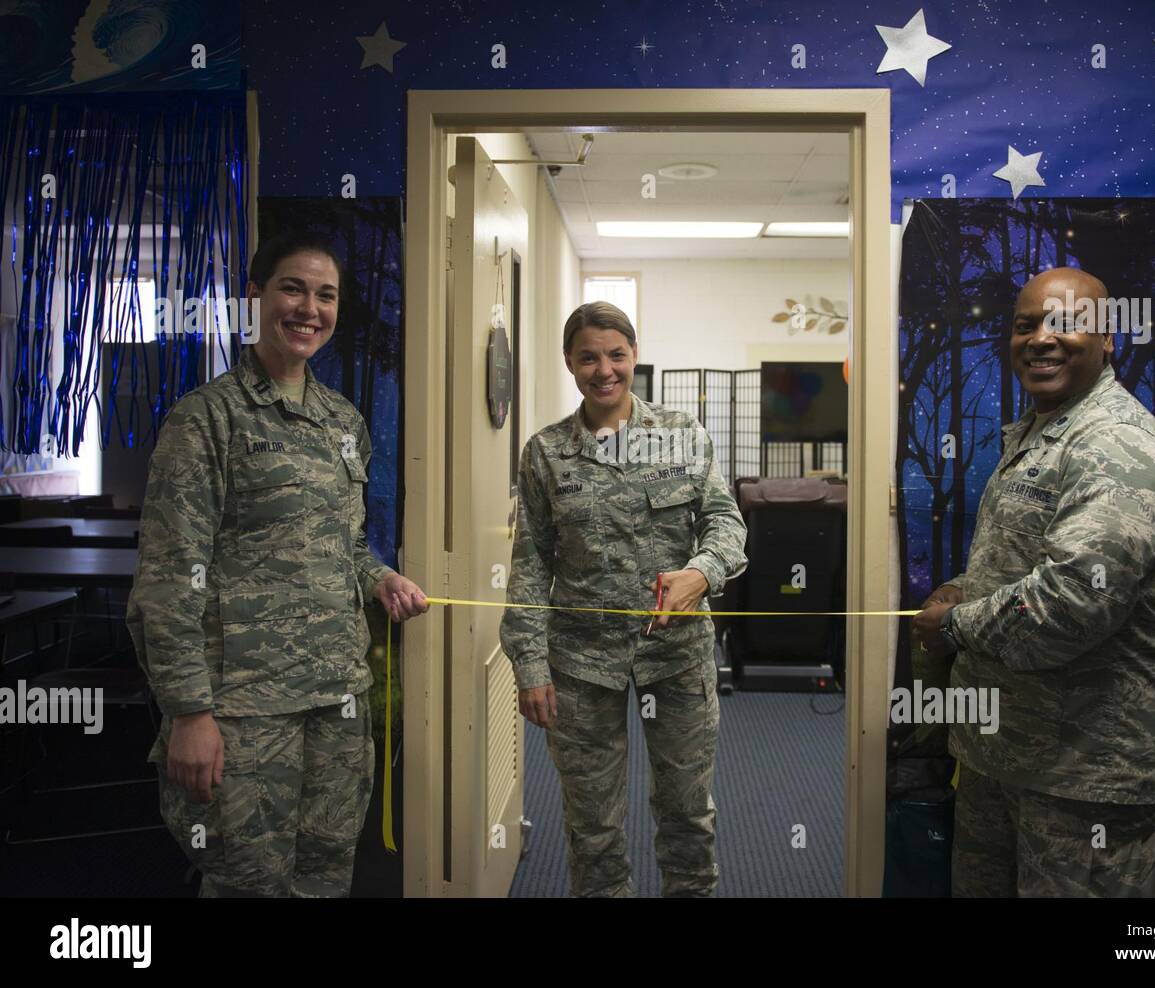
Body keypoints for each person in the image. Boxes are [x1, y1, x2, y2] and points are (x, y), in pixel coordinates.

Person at [126, 231, 428, 897]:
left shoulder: (341, 420)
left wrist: (382, 578)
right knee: (246, 883)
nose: (309, 308)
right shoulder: (206, 421)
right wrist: (188, 713)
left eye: (326, 295)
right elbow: (168, 579)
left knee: (325, 878)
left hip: (336, 703)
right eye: (293, 288)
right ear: (256, 295)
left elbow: (344, 546)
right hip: (244, 715)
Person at [912, 267, 1155, 898]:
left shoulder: (1116, 445)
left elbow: (1072, 602)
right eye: (1025, 325)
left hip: (1086, 776)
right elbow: (1024, 562)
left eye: (1064, 323)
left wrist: (953, 625)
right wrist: (962, 587)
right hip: (1007, 753)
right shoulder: (1043, 432)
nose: (1041, 339)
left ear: (1109, 337)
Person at [500, 301, 747, 897]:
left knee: (687, 810)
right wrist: (530, 666)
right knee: (593, 824)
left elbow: (726, 525)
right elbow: (531, 565)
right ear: (569, 362)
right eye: (588, 357)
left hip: (677, 657)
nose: (603, 369)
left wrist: (701, 572)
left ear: (634, 355)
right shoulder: (545, 452)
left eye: (616, 354)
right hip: (583, 665)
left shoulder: (682, 435)